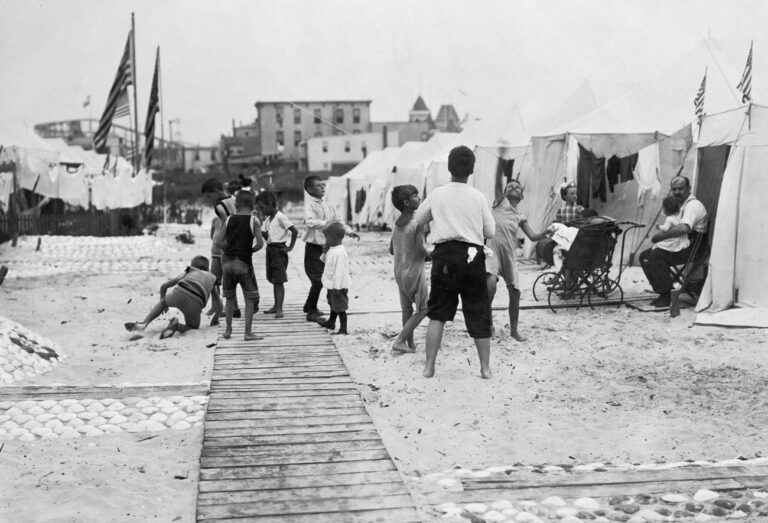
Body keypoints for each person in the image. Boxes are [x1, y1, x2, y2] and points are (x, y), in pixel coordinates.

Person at [414, 146, 496, 379]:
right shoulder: (478, 196)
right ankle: (485, 369)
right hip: (472, 255)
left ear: (448, 168)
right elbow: (490, 229)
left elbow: (419, 218)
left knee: (438, 313)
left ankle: (429, 366)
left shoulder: (438, 193)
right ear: (471, 170)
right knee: (478, 312)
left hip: (445, 255)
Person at [487, 180, 550, 342]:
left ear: (521, 195)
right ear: (504, 192)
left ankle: (514, 330)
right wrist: (501, 163)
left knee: (515, 292)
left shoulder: (520, 216)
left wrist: (548, 231)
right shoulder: (499, 203)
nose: (514, 188)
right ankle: (488, 325)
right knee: (490, 287)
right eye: (510, 186)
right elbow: (497, 184)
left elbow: (533, 236)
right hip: (492, 252)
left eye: (517, 187)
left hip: (509, 255)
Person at [639, 176, 708, 308]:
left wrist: (659, 237)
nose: (677, 192)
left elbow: (683, 228)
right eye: (674, 189)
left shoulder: (693, 205)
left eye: (681, 189)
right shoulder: (680, 204)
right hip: (682, 244)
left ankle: (667, 296)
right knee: (644, 256)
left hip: (694, 247)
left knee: (657, 255)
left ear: (688, 189)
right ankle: (664, 291)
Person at [302, 175, 358, 323]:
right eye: (318, 185)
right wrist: (327, 223)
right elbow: (309, 222)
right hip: (314, 247)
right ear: (309, 189)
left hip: (327, 247)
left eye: (323, 185)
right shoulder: (310, 205)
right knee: (317, 280)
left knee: (326, 277)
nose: (322, 187)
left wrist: (348, 231)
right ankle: (311, 311)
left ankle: (309, 305)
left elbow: (338, 221)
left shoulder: (328, 205)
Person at [124, 255, 219, 339]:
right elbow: (219, 304)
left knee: (162, 303)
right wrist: (215, 318)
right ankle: (176, 325)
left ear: (192, 266)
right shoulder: (211, 278)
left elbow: (164, 286)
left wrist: (163, 302)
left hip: (179, 292)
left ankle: (144, 323)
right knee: (193, 328)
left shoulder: (189, 271)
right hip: (195, 302)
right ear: (208, 269)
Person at [214, 190, 264, 340]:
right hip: (244, 264)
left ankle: (228, 330)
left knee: (229, 299)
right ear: (253, 205)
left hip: (228, 264)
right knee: (249, 300)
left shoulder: (229, 219)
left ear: (236, 204)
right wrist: (249, 251)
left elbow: (217, 241)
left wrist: (228, 250)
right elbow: (260, 244)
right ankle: (247, 333)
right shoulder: (254, 220)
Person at [389, 184, 429, 353]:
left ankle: (409, 344)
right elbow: (421, 250)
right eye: (415, 196)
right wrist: (436, 255)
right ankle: (400, 340)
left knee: (407, 308)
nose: (419, 198)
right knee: (425, 308)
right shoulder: (418, 223)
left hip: (399, 271)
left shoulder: (396, 223)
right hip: (414, 272)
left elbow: (391, 249)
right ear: (406, 202)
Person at [201, 178, 241, 320]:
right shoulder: (234, 200)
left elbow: (227, 225)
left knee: (222, 279)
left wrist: (221, 242)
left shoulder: (220, 206)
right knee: (218, 279)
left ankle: (230, 307)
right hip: (229, 246)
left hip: (224, 247)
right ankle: (220, 306)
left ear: (216, 192)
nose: (208, 200)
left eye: (209, 196)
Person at [255, 191, 298, 319]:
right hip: (270, 250)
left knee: (279, 280)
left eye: (262, 208)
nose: (261, 211)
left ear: (271, 205)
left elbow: (294, 231)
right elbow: (263, 232)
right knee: (274, 279)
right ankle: (275, 306)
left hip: (279, 250)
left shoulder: (280, 216)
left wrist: (289, 247)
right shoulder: (268, 219)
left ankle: (279, 308)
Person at [319, 222, 351, 335]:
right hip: (331, 284)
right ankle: (331, 322)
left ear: (336, 237)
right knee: (333, 304)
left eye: (328, 237)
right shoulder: (332, 249)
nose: (326, 240)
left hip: (339, 286)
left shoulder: (340, 252)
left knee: (340, 307)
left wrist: (337, 287)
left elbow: (340, 272)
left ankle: (343, 328)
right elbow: (324, 261)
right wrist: (325, 253)